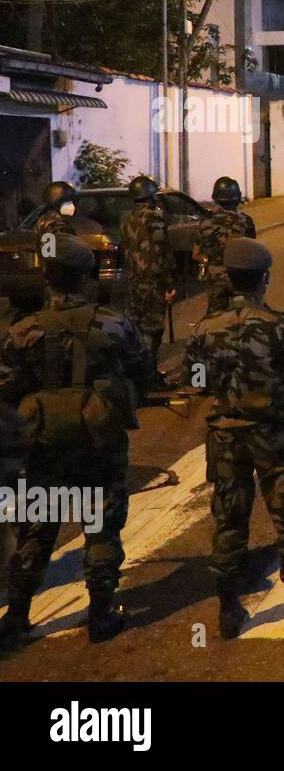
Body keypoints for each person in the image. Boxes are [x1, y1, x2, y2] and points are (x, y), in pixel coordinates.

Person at [0, 235, 150, 648]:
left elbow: (6, 388)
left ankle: (16, 615)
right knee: (101, 527)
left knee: (36, 528)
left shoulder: (22, 332)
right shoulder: (113, 324)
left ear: (47, 278)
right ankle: (100, 615)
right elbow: (143, 371)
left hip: (43, 443)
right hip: (98, 441)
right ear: (86, 277)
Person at [184, 238, 284, 642]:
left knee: (229, 520)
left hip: (226, 437)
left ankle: (229, 613)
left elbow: (195, 381)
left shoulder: (204, 330)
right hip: (274, 436)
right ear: (264, 279)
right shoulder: (282, 327)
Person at [121, 175, 176, 384]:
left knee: (135, 328)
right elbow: (163, 253)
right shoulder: (154, 219)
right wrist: (170, 283)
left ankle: (136, 374)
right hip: (153, 282)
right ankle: (149, 377)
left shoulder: (126, 220)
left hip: (134, 282)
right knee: (152, 330)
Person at [194, 176, 257, 316]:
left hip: (216, 279)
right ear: (237, 199)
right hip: (240, 277)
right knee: (242, 315)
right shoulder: (246, 221)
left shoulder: (206, 222)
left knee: (215, 319)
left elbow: (196, 254)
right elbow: (252, 251)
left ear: (216, 199)